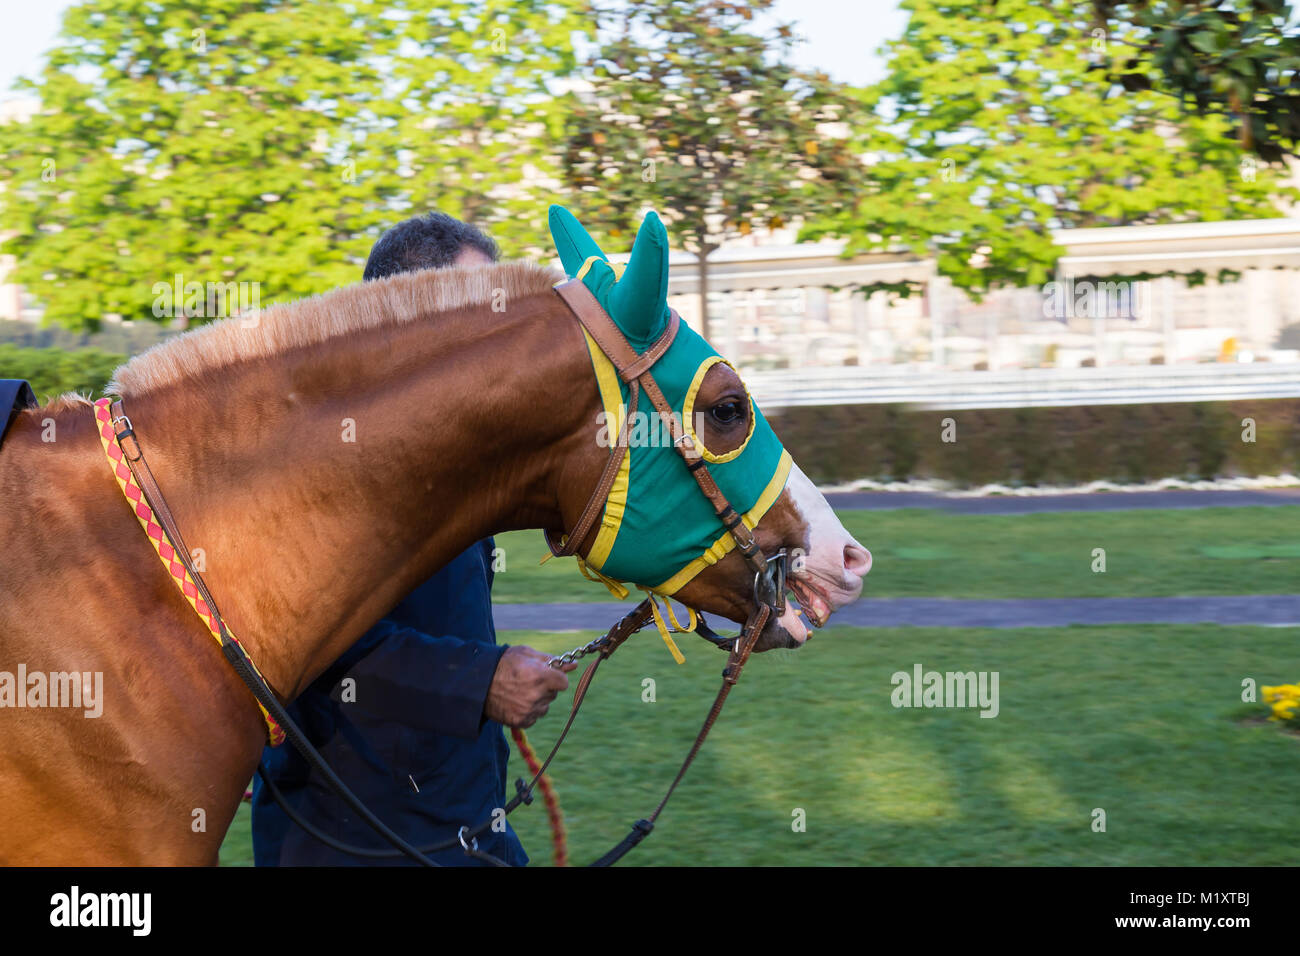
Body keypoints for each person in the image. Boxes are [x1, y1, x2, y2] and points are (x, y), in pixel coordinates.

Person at [250, 212, 575, 866]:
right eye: (479, 311)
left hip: (464, 817)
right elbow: (309, 651)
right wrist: (480, 682)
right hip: (352, 836)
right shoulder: (320, 450)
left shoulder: (452, 443)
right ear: (400, 312)